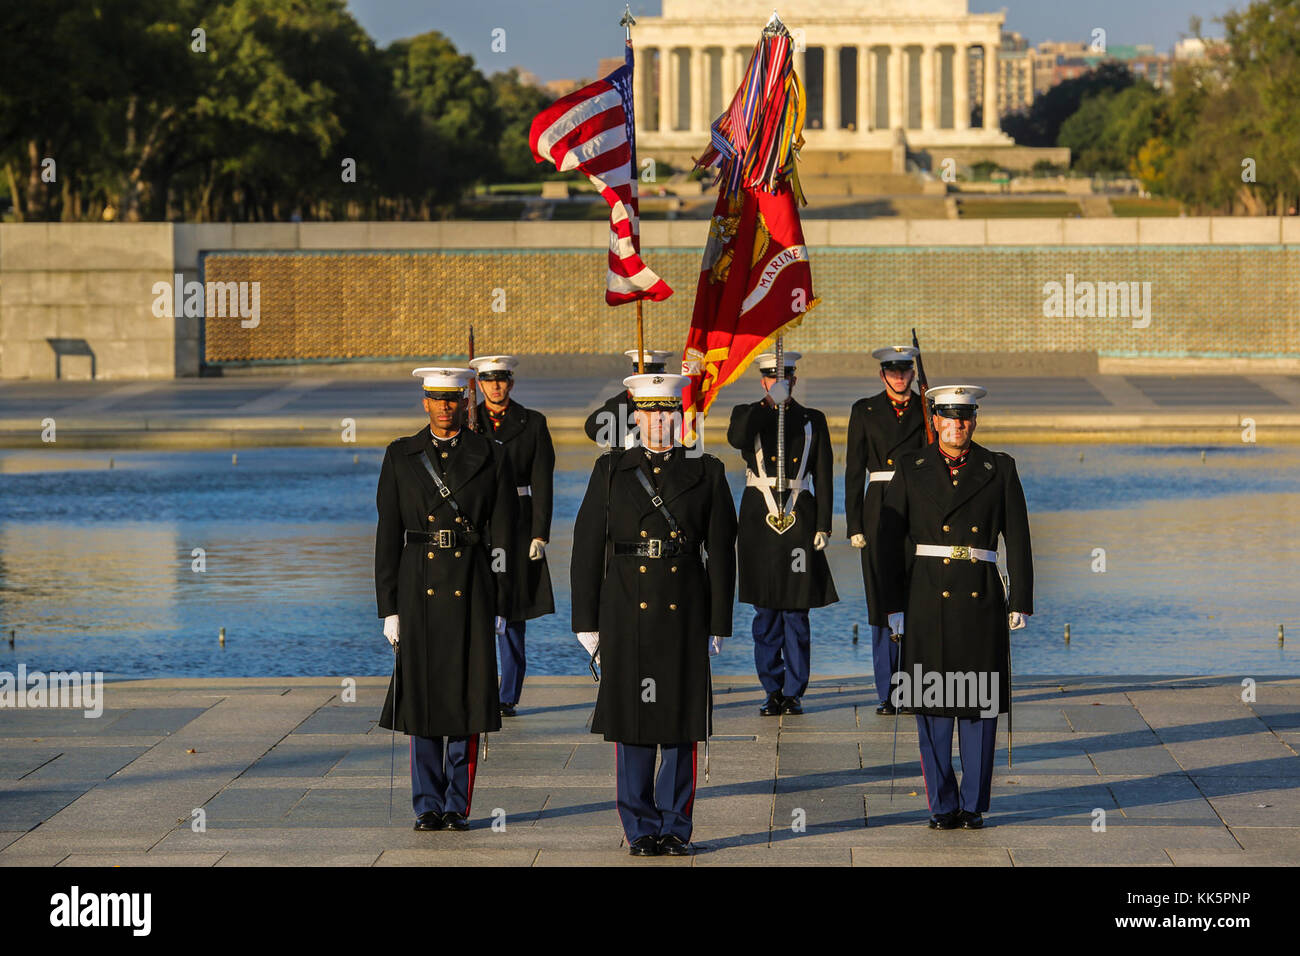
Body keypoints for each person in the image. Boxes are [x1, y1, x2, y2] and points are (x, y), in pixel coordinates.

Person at [570, 372, 737, 857]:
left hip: (684, 610)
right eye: (650, 412)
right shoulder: (610, 470)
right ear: (637, 416)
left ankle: (676, 825)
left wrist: (718, 621)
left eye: (668, 411)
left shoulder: (707, 470)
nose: (659, 420)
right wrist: (586, 620)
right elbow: (585, 548)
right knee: (634, 723)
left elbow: (723, 551)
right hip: (625, 608)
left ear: (679, 416)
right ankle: (640, 825)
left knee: (681, 723)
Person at [875, 384, 1033, 830]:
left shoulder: (999, 467)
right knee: (933, 706)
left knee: (979, 707)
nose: (958, 424)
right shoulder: (911, 466)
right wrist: (892, 605)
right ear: (936, 421)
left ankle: (974, 803)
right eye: (949, 416)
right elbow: (888, 544)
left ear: (974, 421)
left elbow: (1018, 538)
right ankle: (942, 804)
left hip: (980, 595)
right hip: (926, 596)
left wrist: (1019, 598)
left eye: (965, 417)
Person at [375, 367, 517, 832]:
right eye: (435, 400)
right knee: (422, 697)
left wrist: (500, 600)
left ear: (464, 402)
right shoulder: (401, 455)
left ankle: (456, 803)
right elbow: (387, 535)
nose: (444, 407)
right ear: (424, 403)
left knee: (466, 694)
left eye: (452, 399)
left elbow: (502, 535)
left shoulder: (489, 454)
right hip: (418, 585)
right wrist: (389, 608)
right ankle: (426, 803)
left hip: (472, 584)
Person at [726, 350, 837, 717]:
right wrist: (768, 403)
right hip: (760, 519)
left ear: (795, 377)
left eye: (786, 377)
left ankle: (794, 690)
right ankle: (771, 688)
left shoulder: (811, 419)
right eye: (773, 378)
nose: (780, 382)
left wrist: (823, 524)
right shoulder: (749, 414)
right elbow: (736, 436)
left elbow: (823, 473)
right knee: (766, 612)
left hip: (799, 518)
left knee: (796, 611)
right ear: (763, 380)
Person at [469, 355, 556, 718]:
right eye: (488, 380)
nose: (495, 386)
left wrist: (540, 533)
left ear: (511, 383)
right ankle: (476, 687)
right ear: (479, 384)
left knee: (511, 610)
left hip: (518, 524)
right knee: (474, 607)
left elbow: (542, 481)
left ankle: (507, 693)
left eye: (501, 380)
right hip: (478, 521)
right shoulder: (468, 420)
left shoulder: (532, 423)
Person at [844, 346, 928, 715]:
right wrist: (854, 523)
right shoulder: (865, 410)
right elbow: (852, 469)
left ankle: (913, 688)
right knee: (881, 604)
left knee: (917, 601)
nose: (898, 377)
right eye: (892, 371)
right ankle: (887, 691)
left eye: (904, 370)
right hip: (878, 507)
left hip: (916, 506)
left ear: (912, 373)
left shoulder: (927, 408)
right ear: (882, 375)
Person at [584, 349, 675, 448]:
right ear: (634, 375)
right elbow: (593, 430)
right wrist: (632, 397)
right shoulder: (623, 404)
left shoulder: (673, 408)